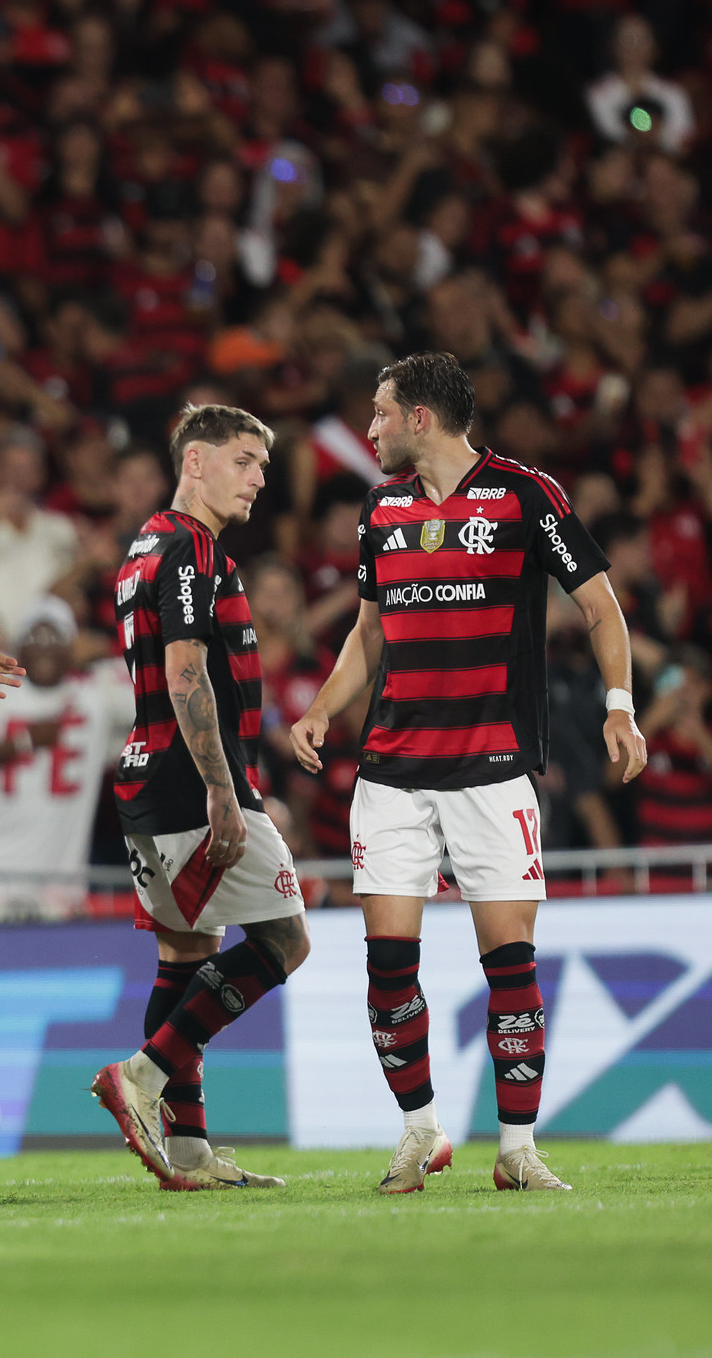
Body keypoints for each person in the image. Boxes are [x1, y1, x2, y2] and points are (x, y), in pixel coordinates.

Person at [289, 353, 647, 1194]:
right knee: (387, 965)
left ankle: (517, 1148)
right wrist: (321, 708)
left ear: (420, 417)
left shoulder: (526, 495)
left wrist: (619, 705)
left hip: (492, 772)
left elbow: (600, 605)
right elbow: (367, 633)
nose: (368, 429)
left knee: (510, 965)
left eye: (378, 413)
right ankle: (420, 1131)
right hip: (391, 773)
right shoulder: (379, 510)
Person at [92, 403, 309, 1193]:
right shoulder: (187, 549)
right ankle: (140, 1075)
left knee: (185, 959)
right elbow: (186, 674)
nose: (259, 477)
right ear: (195, 462)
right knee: (284, 943)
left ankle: (186, 1151)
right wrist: (224, 787)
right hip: (193, 788)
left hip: (149, 784)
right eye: (245, 460)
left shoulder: (145, 546)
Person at [0, 597, 132, 921]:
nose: (45, 647)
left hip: (58, 885)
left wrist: (103, 648)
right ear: (21, 645)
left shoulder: (95, 695)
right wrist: (21, 743)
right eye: (36, 637)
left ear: (72, 645)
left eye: (55, 638)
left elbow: (157, 681)